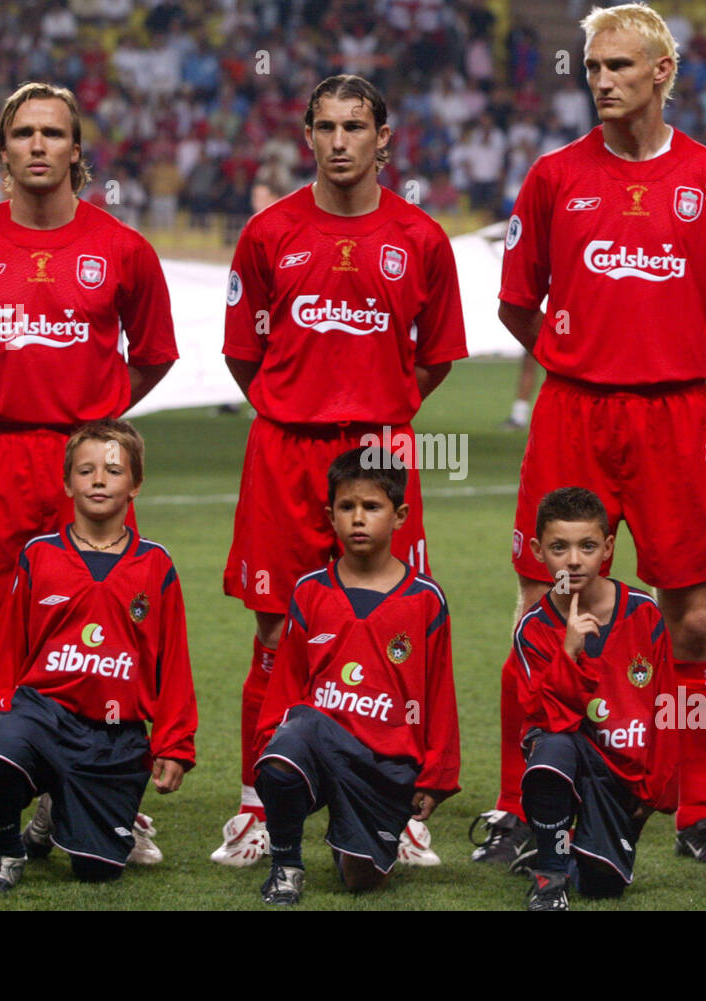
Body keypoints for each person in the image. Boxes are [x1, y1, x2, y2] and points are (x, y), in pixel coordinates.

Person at [479, 2, 706, 867]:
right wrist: (584, 360)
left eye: (619, 67)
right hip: (573, 410)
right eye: (593, 67)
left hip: (676, 417)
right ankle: (515, 800)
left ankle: (697, 811)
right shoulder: (554, 175)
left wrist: (665, 366)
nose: (600, 81)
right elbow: (517, 303)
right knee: (541, 607)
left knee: (693, 622)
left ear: (662, 72)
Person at [0, 82, 177, 863]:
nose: (37, 145)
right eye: (22, 132)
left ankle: (97, 800)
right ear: (1, 150)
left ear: (76, 152)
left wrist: (95, 425)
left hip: (82, 465)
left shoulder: (124, 250)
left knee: (95, 641)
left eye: (53, 133)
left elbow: (153, 355)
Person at [216, 74, 468, 867]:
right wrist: (298, 406)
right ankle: (260, 803)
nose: (338, 140)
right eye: (323, 125)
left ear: (383, 137)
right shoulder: (267, 232)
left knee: (400, 626)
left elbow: (437, 358)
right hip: (284, 450)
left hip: (381, 452)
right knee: (272, 629)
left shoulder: (423, 239)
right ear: (307, 137)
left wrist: (377, 410)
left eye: (354, 125)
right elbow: (241, 353)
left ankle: (402, 804)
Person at [0, 420, 198, 891]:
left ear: (135, 485)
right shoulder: (39, 555)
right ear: (67, 481)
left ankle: (53, 816)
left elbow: (172, 662)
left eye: (113, 471)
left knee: (96, 872)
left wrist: (175, 743)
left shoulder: (156, 565)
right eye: (86, 470)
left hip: (115, 737)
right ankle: (7, 850)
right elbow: (8, 643)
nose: (98, 480)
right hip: (44, 714)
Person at [251, 447, 460, 905]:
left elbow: (439, 692)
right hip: (319, 740)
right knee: (295, 735)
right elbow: (286, 682)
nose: (358, 519)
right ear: (330, 515)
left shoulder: (425, 599)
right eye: (347, 507)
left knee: (362, 882)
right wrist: (270, 739)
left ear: (400, 515)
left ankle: (349, 837)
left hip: (386, 761)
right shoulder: (309, 591)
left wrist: (436, 777)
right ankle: (286, 864)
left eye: (372, 507)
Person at [509, 488, 677, 910]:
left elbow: (667, 710)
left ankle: (568, 849)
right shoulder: (533, 629)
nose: (573, 560)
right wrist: (568, 652)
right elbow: (550, 718)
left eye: (587, 546)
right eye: (558, 547)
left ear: (608, 546)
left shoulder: (644, 613)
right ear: (537, 550)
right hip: (567, 754)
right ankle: (549, 877)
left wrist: (654, 793)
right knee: (551, 749)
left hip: (622, 773)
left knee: (603, 885)